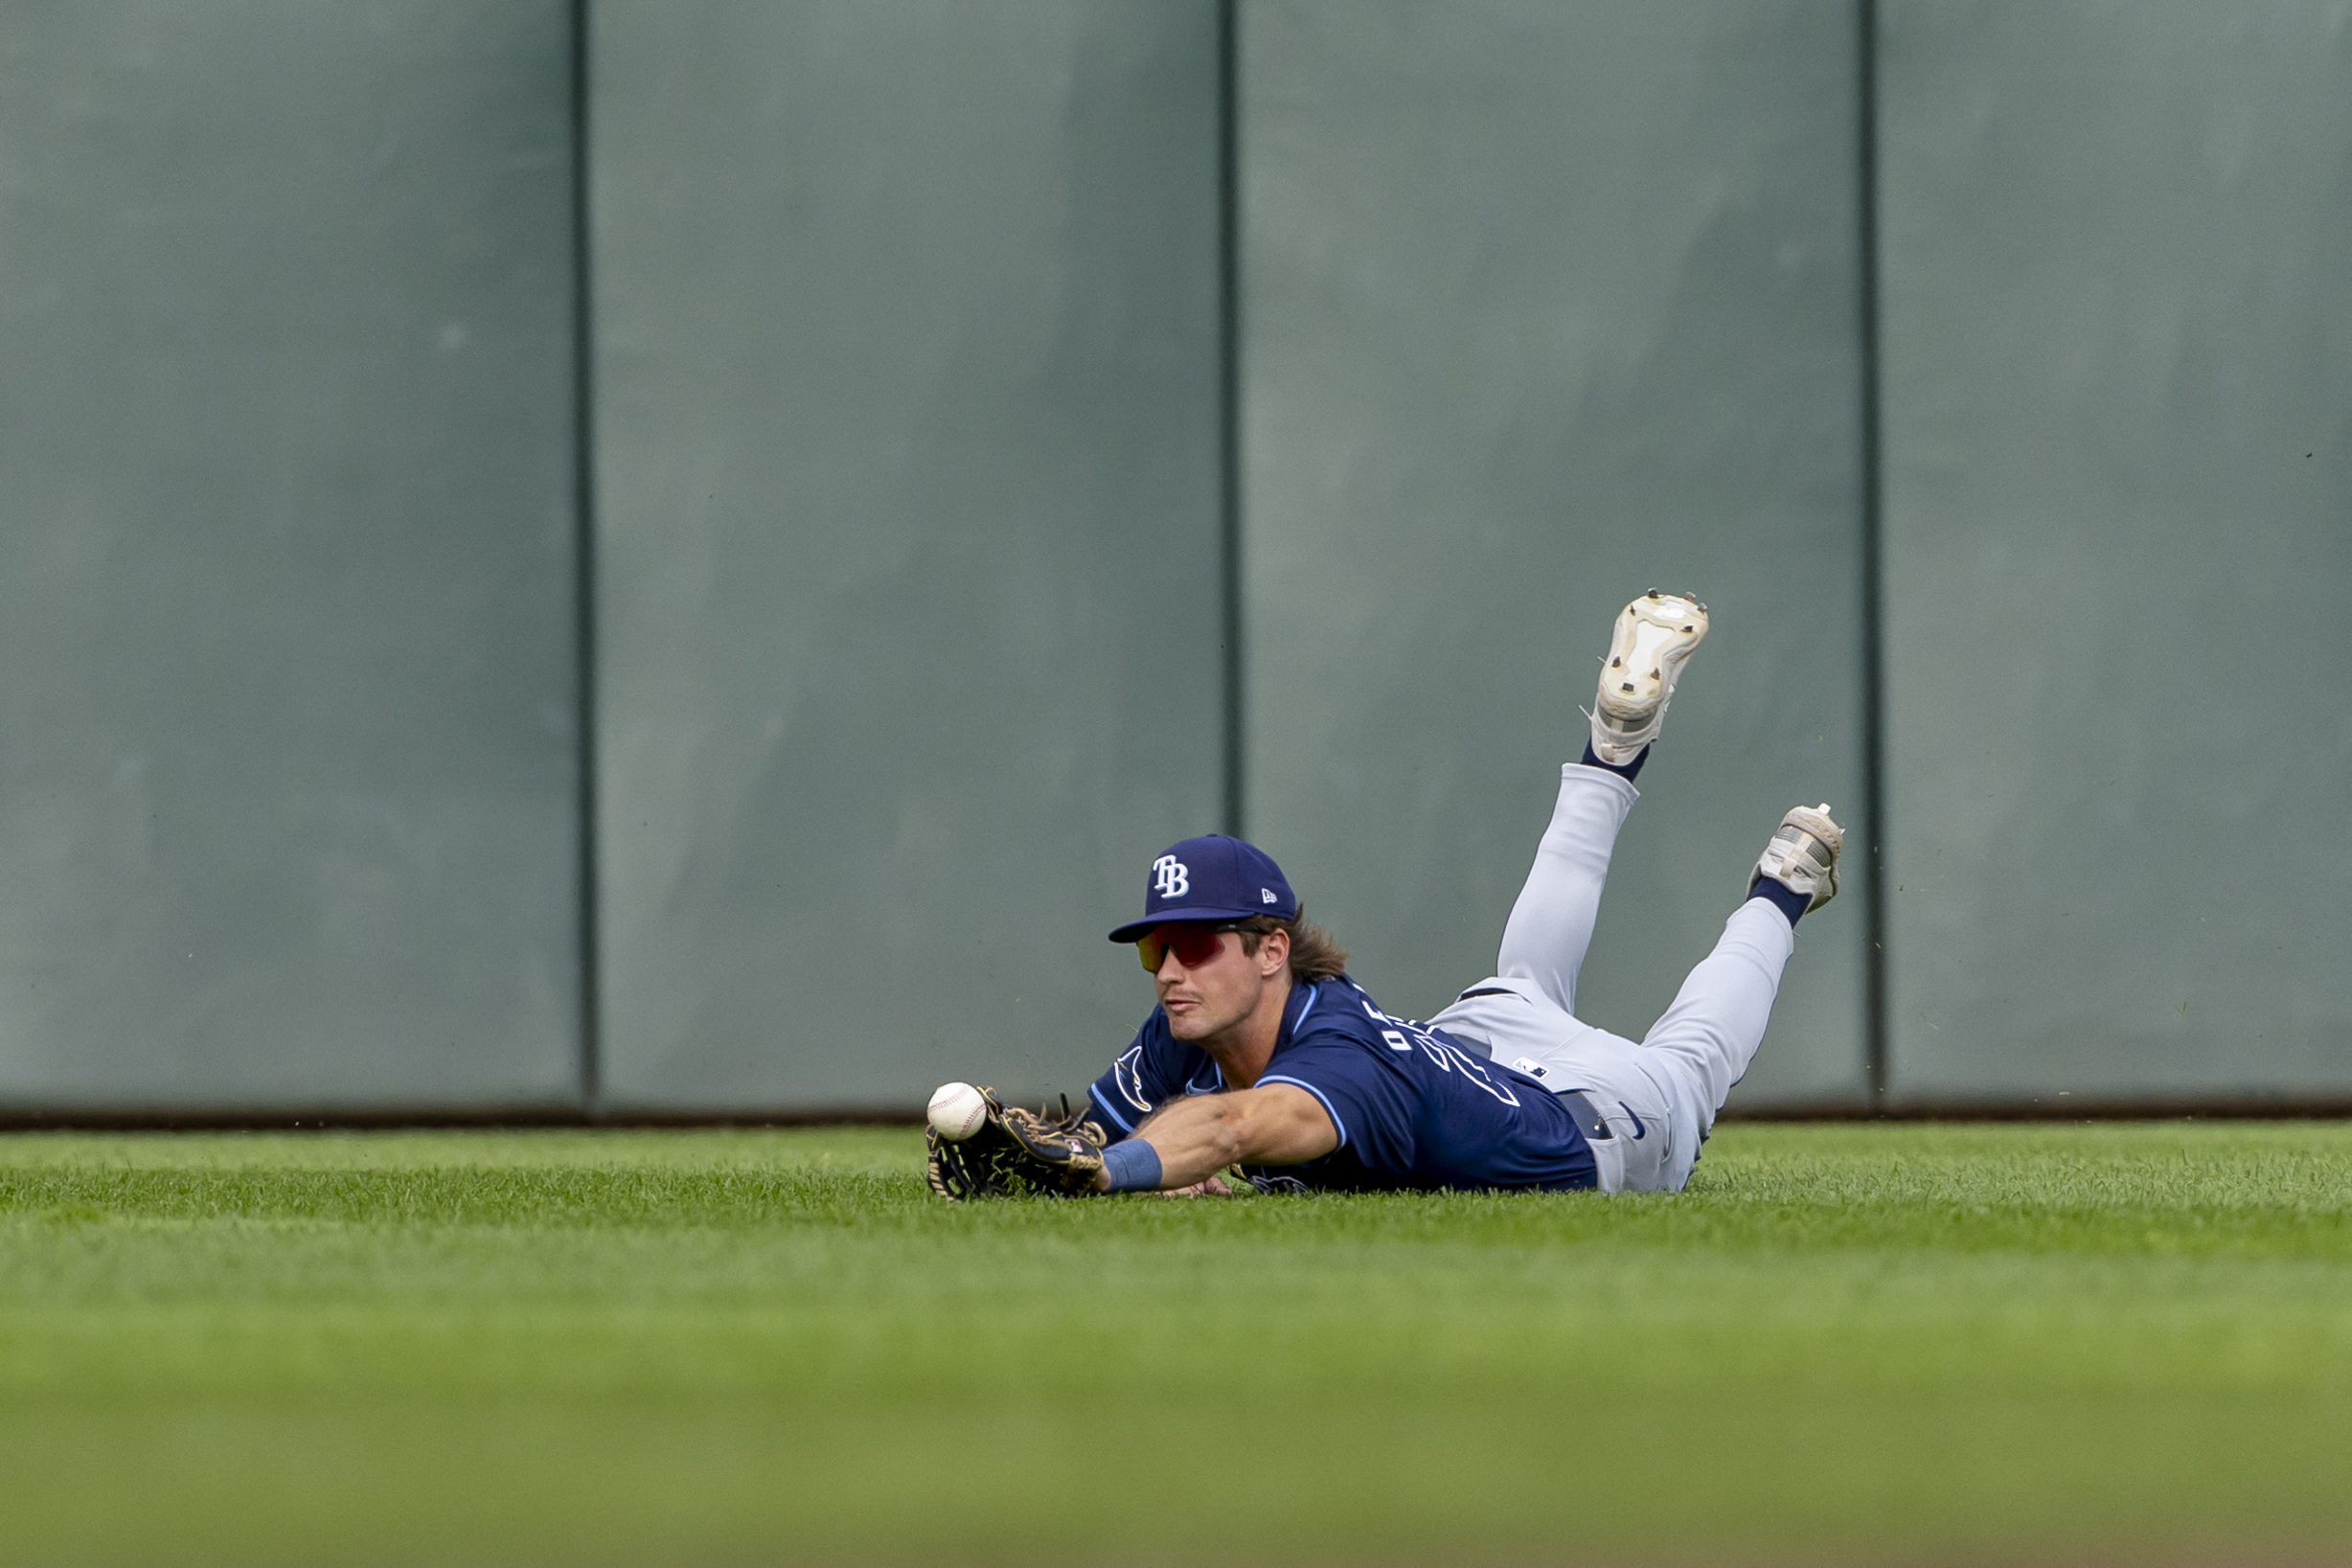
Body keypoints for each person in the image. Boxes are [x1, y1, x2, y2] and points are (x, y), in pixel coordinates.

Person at [1071, 591, 1845, 1197]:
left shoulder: (1342, 1061)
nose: (1172, 968)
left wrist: (1116, 1174)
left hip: (1599, 1116)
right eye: (1157, 947)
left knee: (1691, 1062)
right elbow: (1082, 1136)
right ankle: (1611, 754)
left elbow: (1231, 1128)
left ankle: (1783, 886)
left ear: (1272, 947)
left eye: (1198, 944)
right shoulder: (1200, 1012)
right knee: (1526, 977)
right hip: (1477, 1035)